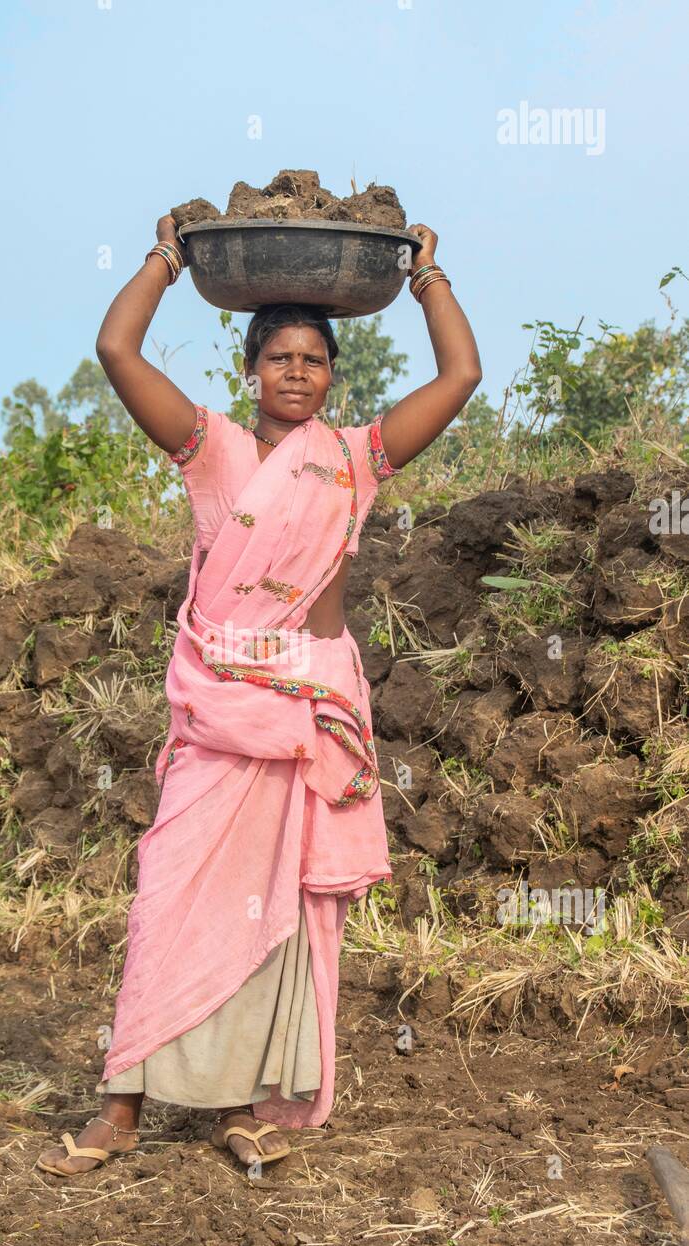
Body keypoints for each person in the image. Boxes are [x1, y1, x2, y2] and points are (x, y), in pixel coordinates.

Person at [37, 213, 481, 1177]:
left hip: (303, 712)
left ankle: (253, 1106)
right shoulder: (211, 450)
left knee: (274, 911)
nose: (295, 371)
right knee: (168, 894)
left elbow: (459, 380)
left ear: (332, 377)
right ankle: (120, 1107)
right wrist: (165, 258)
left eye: (313, 359)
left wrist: (429, 281)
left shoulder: (353, 460)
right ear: (250, 371)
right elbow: (117, 348)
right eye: (277, 355)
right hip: (217, 712)